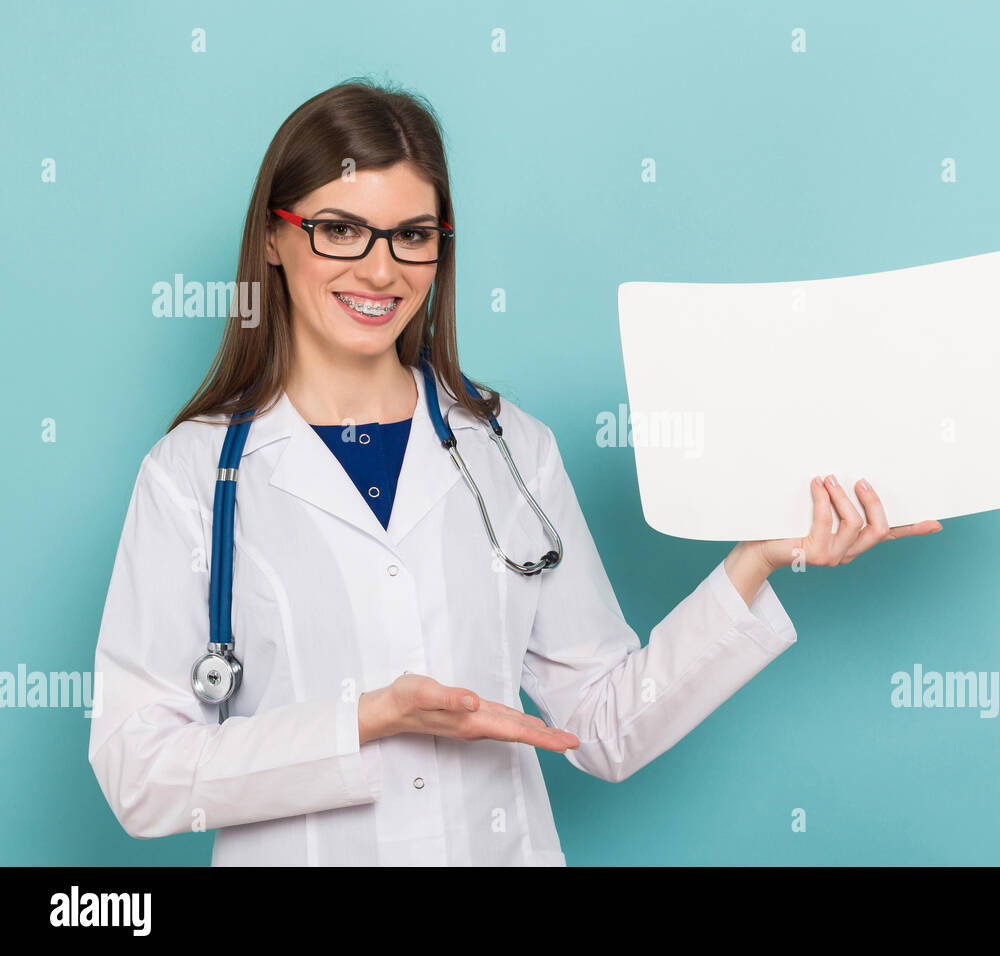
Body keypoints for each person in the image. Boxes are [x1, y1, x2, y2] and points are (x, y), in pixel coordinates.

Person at [87, 79, 942, 866]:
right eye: (340, 229)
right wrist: (366, 721)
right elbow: (140, 773)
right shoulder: (195, 474)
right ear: (276, 238)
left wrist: (755, 559)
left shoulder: (510, 446)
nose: (380, 269)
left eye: (413, 236)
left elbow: (605, 729)